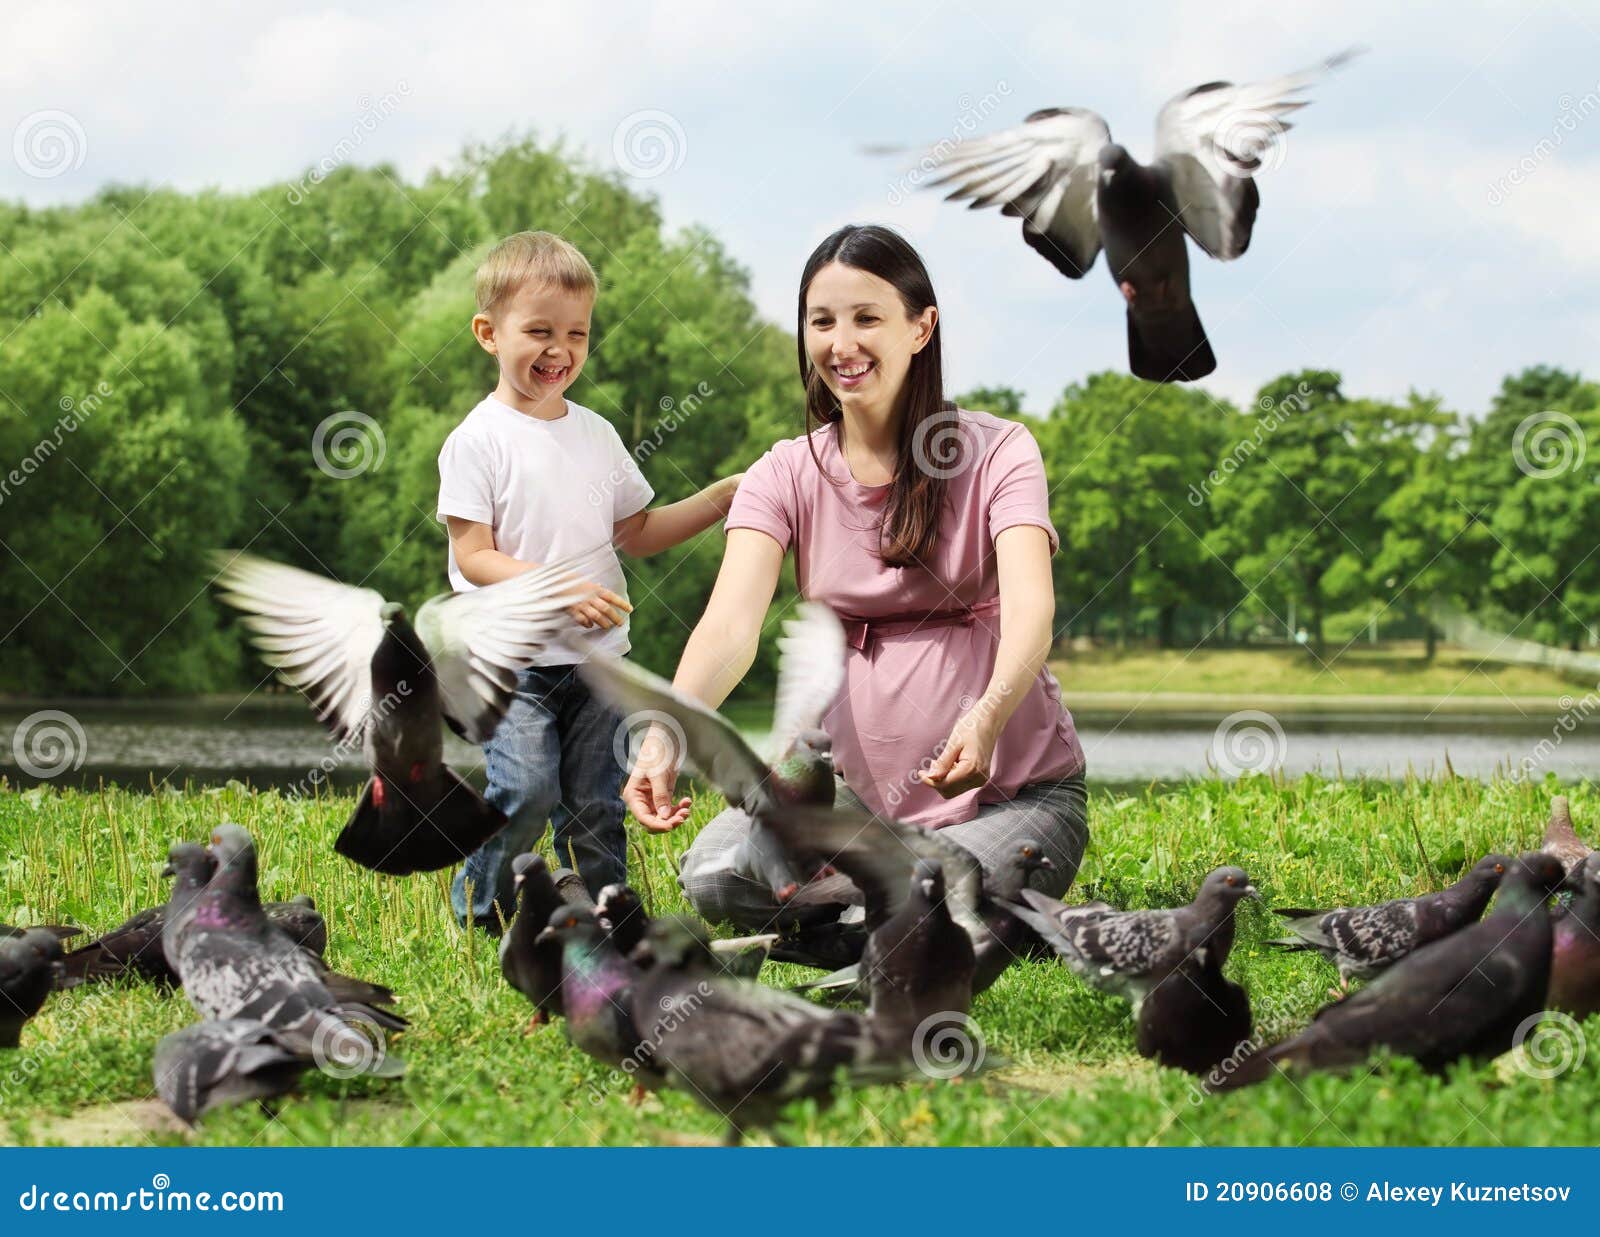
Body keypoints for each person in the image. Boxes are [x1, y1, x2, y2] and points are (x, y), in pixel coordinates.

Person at [621, 223, 1089, 936]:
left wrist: (989, 712)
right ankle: (904, 919)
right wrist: (666, 737)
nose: (842, 343)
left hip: (1013, 799)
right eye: (822, 320)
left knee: (945, 883)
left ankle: (893, 916)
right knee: (716, 876)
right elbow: (728, 630)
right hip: (855, 806)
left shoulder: (1000, 451)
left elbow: (1032, 607)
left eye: (868, 317)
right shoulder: (784, 472)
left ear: (920, 327)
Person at [436, 230, 742, 929]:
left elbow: (638, 531)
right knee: (526, 788)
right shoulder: (477, 440)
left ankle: (611, 922)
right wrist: (557, 586)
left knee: (597, 804)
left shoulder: (597, 433)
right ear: (488, 333)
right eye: (538, 330)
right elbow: (474, 556)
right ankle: (480, 911)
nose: (560, 350)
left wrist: (723, 497)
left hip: (600, 664)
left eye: (576, 333)